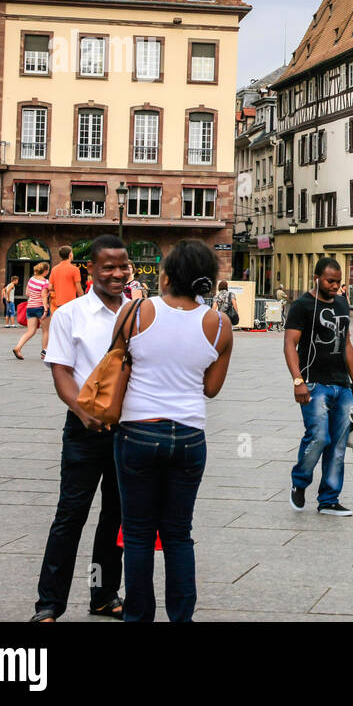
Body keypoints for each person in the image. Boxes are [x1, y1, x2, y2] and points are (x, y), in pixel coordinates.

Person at [113, 240, 232, 622]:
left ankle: (138, 618)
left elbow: (115, 364)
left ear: (165, 276)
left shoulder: (136, 311)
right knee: (179, 534)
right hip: (189, 436)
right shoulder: (219, 324)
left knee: (137, 535)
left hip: (138, 432)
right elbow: (211, 389)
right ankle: (182, 618)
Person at [31, 235, 132, 622]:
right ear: (90, 269)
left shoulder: (140, 313)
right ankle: (49, 605)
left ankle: (103, 595)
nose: (117, 273)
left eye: (123, 266)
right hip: (84, 429)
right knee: (70, 516)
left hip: (126, 432)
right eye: (108, 266)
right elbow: (62, 372)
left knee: (115, 518)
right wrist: (82, 411)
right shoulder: (70, 315)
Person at [286, 257, 353, 517]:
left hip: (341, 385)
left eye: (339, 282)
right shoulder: (302, 306)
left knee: (338, 444)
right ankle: (299, 482)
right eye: (331, 281)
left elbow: (346, 342)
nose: (336, 286)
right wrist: (298, 381)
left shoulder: (342, 302)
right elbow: (290, 345)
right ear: (317, 278)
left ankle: (329, 499)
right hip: (313, 383)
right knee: (319, 436)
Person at [12, 262, 51, 360]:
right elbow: (43, 296)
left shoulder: (31, 279)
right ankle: (44, 352)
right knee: (46, 331)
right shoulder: (45, 282)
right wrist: (46, 309)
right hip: (41, 307)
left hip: (30, 307)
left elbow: (27, 293)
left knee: (31, 331)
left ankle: (18, 347)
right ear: (45, 271)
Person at [50, 246, 83, 313]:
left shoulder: (54, 269)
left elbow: (50, 287)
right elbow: (79, 290)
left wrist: (59, 288)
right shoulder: (75, 269)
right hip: (71, 303)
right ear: (70, 254)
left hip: (58, 303)